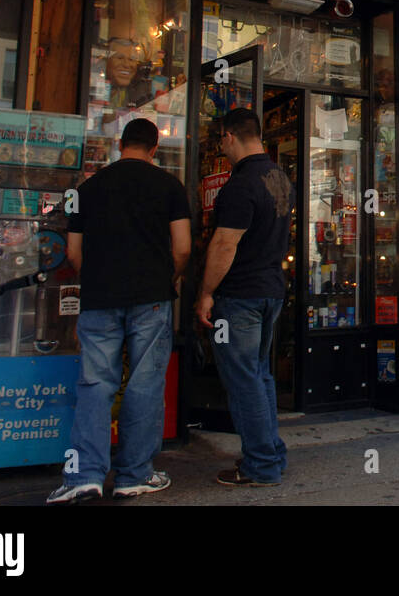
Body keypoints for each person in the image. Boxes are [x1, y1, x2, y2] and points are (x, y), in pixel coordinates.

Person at [48, 118, 191, 504]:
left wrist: (97, 279)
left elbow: (73, 253)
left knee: (95, 384)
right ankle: (134, 474)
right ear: (154, 148)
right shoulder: (170, 186)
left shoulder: (88, 189)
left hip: (99, 299)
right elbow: (183, 248)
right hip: (150, 297)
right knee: (145, 384)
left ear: (119, 145)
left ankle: (84, 477)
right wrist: (169, 279)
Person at [194, 108, 295, 485]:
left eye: (220, 140)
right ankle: (271, 454)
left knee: (243, 381)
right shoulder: (280, 178)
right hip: (269, 291)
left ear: (230, 136)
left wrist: (205, 293)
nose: (221, 147)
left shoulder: (241, 184)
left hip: (240, 296)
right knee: (259, 376)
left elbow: (225, 243)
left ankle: (261, 465)